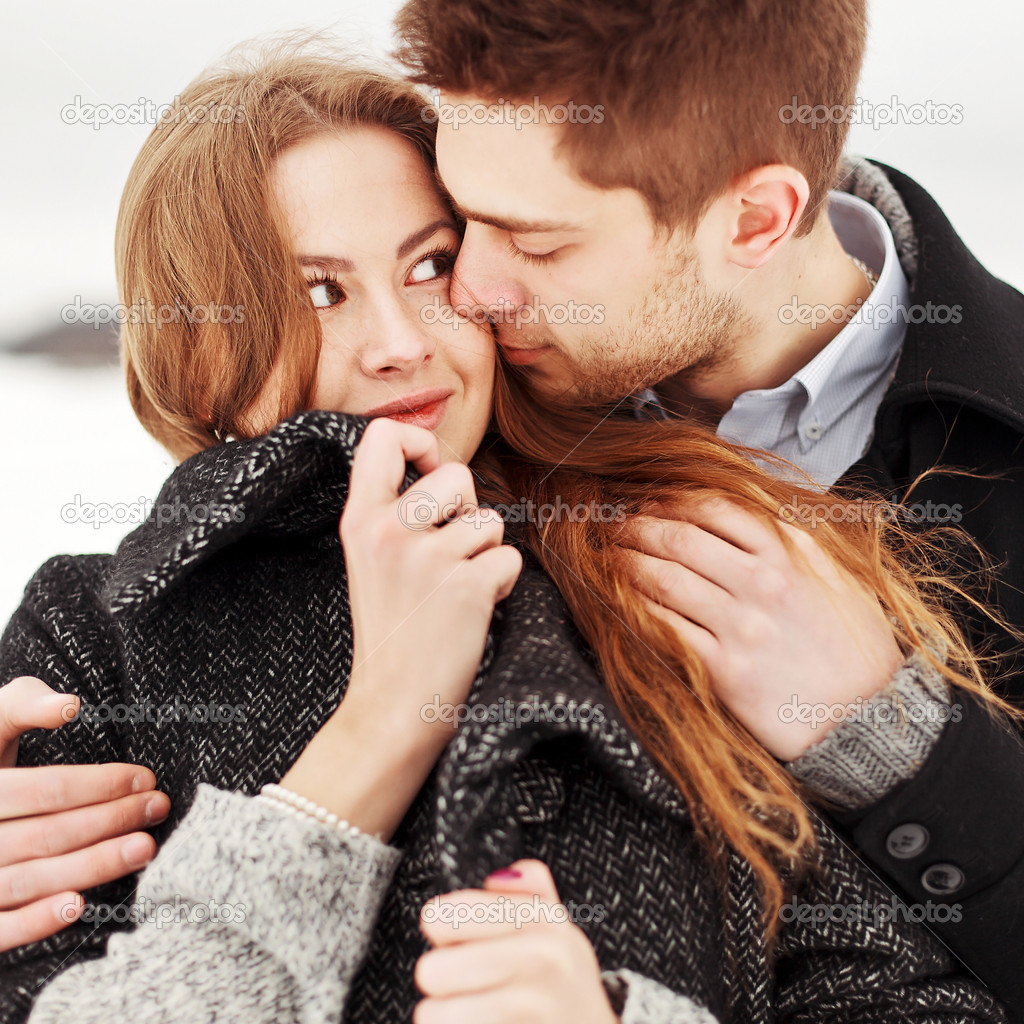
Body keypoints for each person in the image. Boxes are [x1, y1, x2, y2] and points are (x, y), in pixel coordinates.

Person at [0, 44, 1014, 1024]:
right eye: (319, 291)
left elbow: (910, 997)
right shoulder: (93, 639)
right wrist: (377, 731)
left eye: (431, 264)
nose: (403, 343)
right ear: (197, 332)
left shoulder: (671, 576)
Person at [392, 0, 1024, 1014]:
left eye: (537, 243)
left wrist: (893, 739)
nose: (470, 287)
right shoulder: (452, 390)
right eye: (458, 218)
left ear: (755, 220)